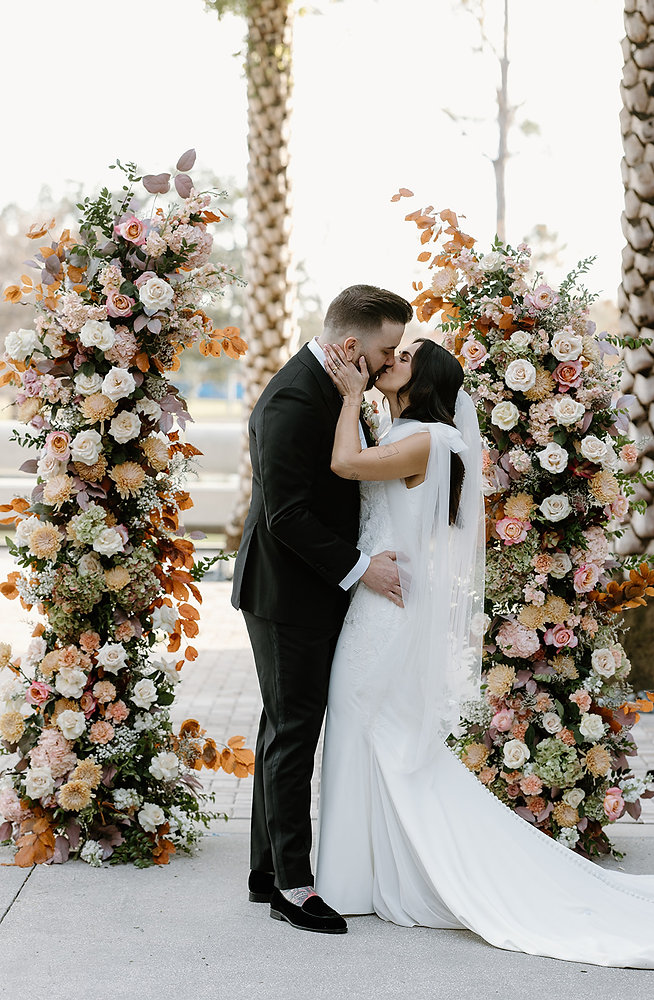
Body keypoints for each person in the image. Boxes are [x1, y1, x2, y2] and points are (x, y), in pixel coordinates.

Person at [315, 337, 654, 969]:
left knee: (356, 718)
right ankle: (358, 875)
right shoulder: (410, 430)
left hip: (385, 604)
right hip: (384, 594)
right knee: (367, 728)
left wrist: (349, 397)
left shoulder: (427, 439)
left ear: (423, 380)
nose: (392, 358)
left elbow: (345, 464)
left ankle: (350, 880)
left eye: (406, 356)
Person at [231, 283, 413, 934]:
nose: (392, 361)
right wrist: (364, 569)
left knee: (282, 727)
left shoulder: (334, 390)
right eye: (386, 350)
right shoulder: (289, 400)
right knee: (294, 735)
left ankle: (264, 870)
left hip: (308, 590)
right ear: (348, 347)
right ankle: (293, 886)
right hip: (287, 595)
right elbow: (285, 517)